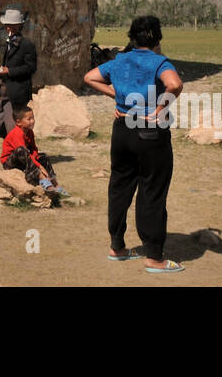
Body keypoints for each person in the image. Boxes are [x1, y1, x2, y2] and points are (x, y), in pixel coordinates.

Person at [84, 15, 184, 273]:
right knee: (152, 190)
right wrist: (161, 107)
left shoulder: (119, 61)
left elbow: (90, 77)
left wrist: (115, 94)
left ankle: (117, 247)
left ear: (131, 37)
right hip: (149, 131)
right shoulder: (158, 61)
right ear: (157, 38)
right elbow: (174, 84)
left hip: (122, 130)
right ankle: (154, 257)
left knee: (119, 187)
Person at [0, 8, 37, 138]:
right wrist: (1, 69)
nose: (8, 27)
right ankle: (15, 145)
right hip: (2, 91)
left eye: (12, 25)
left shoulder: (27, 45)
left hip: (16, 93)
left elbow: (30, 68)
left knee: (12, 127)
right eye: (7, 25)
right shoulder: (8, 43)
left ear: (19, 26)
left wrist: (9, 71)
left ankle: (19, 151)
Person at [0, 104, 63, 194]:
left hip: (24, 159)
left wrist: (37, 159)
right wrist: (40, 167)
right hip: (10, 163)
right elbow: (24, 152)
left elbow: (33, 149)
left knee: (44, 157)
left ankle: (54, 183)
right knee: (21, 150)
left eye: (33, 118)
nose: (32, 121)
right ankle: (41, 178)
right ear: (18, 122)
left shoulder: (29, 132)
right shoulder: (16, 134)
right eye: (29, 119)